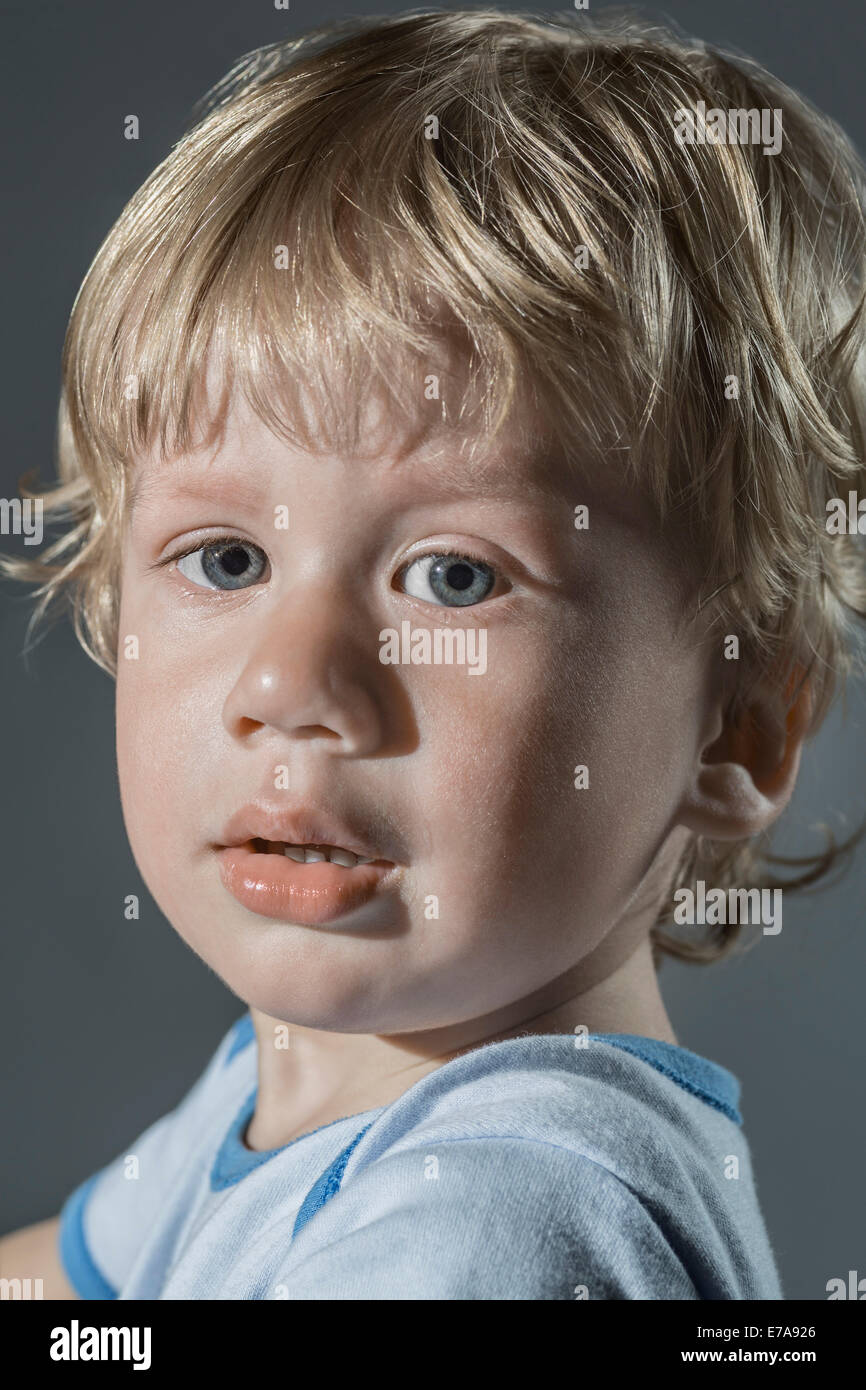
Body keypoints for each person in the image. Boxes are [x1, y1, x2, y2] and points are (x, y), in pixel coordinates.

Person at [2, 7, 865, 1299]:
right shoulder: (306, 1074)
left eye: (456, 576)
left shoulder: (500, 1215)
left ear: (737, 726)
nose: (289, 686)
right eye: (226, 558)